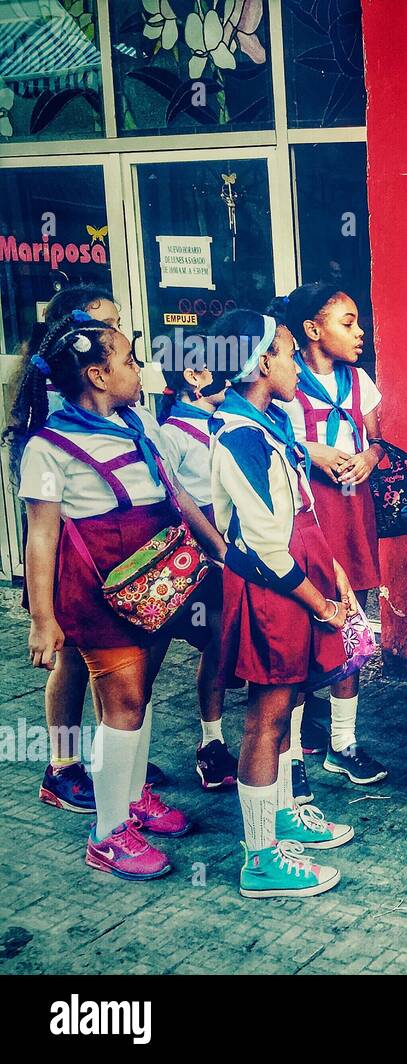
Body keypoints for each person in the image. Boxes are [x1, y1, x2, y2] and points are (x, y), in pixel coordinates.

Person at [10, 311, 224, 880]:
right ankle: (107, 834)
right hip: (98, 594)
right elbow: (41, 537)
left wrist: (222, 551)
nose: (141, 370)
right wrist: (42, 620)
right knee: (122, 704)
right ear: (98, 375)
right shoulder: (47, 450)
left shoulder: (143, 425)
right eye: (129, 360)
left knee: (139, 697)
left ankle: (129, 800)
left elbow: (179, 495)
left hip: (156, 584)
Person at [209, 310, 355, 898]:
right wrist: (320, 602)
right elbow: (266, 545)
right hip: (276, 588)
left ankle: (284, 810)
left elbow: (300, 511)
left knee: (289, 701)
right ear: (263, 363)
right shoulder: (240, 436)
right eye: (290, 353)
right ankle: (259, 856)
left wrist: (335, 569)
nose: (296, 364)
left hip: (298, 577)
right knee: (265, 718)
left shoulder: (268, 422)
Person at [272, 284, 387, 798]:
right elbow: (266, 440)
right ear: (313, 330)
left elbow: (377, 439)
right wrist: (310, 451)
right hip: (307, 514)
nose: (359, 331)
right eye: (348, 321)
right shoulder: (286, 385)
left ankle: (344, 743)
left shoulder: (360, 381)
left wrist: (369, 458)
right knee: (303, 625)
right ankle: (289, 751)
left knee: (352, 622)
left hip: (352, 511)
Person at [24, 286, 125, 815]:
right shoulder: (51, 420)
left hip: (108, 564)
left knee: (106, 666)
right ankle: (62, 765)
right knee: (70, 663)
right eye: (104, 324)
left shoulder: (118, 413)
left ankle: (117, 754)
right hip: (69, 564)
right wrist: (42, 613)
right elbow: (41, 527)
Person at [158, 352, 241, 791]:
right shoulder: (171, 435)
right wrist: (214, 548)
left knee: (239, 639)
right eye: (219, 368)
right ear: (193, 377)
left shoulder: (228, 421)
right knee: (215, 643)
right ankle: (212, 741)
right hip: (207, 560)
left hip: (241, 551)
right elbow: (173, 503)